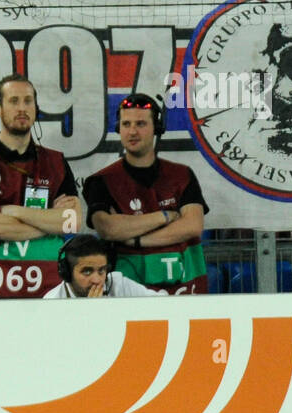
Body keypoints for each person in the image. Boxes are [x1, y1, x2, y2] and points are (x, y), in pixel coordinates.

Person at [0, 73, 80, 299]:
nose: (22, 108)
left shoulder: (56, 163)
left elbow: (72, 222)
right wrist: (50, 222)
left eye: (28, 101)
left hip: (50, 292)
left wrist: (16, 212)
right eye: (13, 101)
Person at [83, 93, 209, 293]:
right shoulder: (101, 181)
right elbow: (108, 228)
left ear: (156, 129)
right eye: (126, 124)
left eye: (140, 124)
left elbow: (193, 225)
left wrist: (136, 239)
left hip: (184, 291)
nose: (132, 131)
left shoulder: (182, 175)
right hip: (130, 294)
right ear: (118, 129)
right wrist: (165, 216)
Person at [42, 233, 165, 297]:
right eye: (87, 271)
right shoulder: (52, 301)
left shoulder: (119, 284)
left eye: (101, 271)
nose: (97, 280)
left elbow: (165, 302)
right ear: (67, 272)